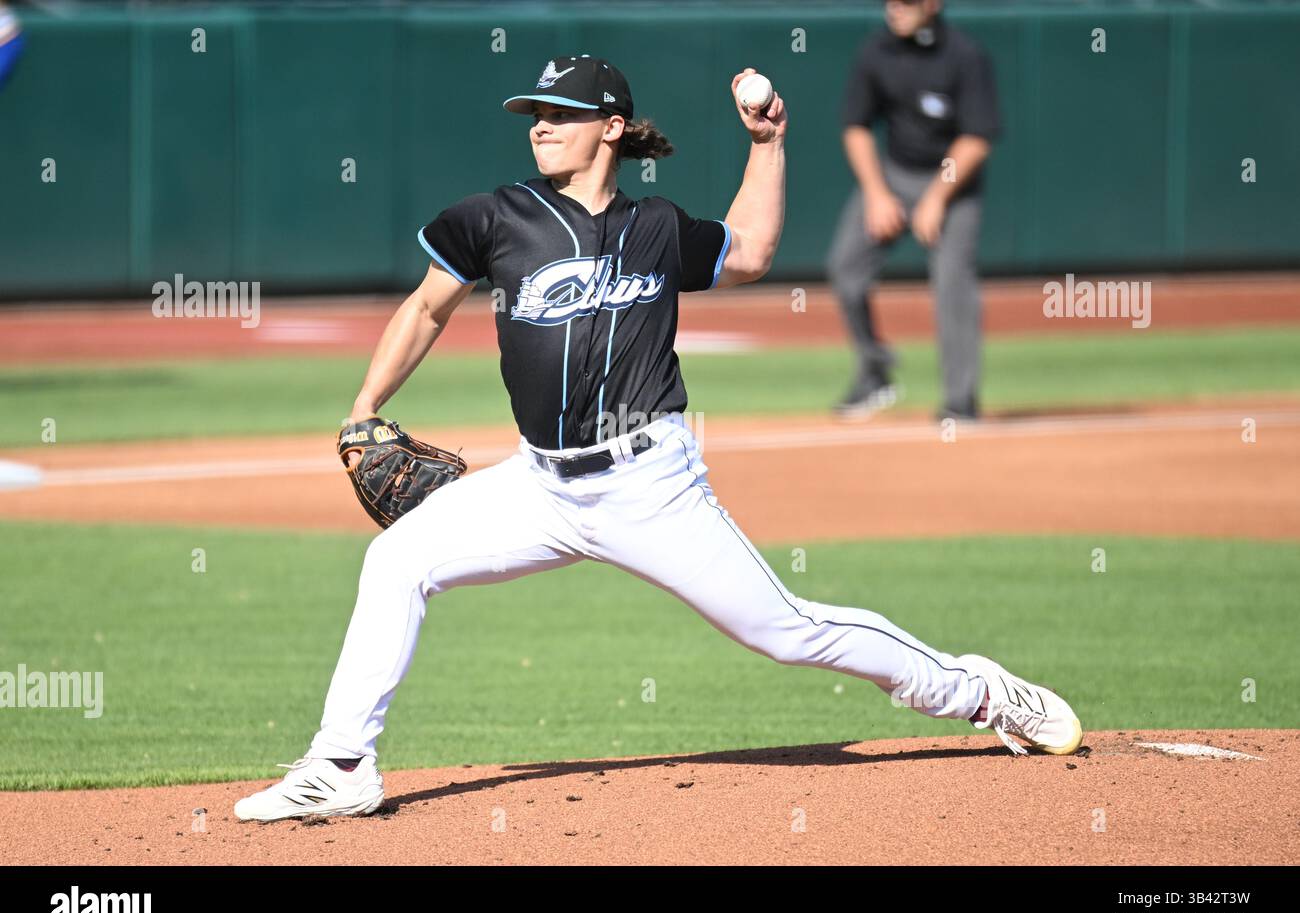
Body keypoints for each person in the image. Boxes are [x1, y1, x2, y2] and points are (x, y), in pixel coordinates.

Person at [234, 55, 1079, 823]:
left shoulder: (657, 228)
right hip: (539, 485)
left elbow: (747, 252)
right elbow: (425, 308)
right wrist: (363, 407)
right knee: (396, 562)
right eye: (534, 111)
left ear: (611, 128)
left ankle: (981, 693)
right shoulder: (493, 218)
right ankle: (343, 765)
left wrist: (768, 144)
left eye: (560, 113)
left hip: (651, 485)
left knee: (787, 631)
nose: (540, 125)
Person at [827, 0, 999, 420]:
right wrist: (876, 193)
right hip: (895, 175)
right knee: (845, 268)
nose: (895, 8)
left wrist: (937, 198)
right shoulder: (876, 51)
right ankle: (875, 372)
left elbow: (977, 138)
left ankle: (961, 400)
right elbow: (856, 127)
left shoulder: (964, 55)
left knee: (952, 285)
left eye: (906, 1)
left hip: (954, 183)